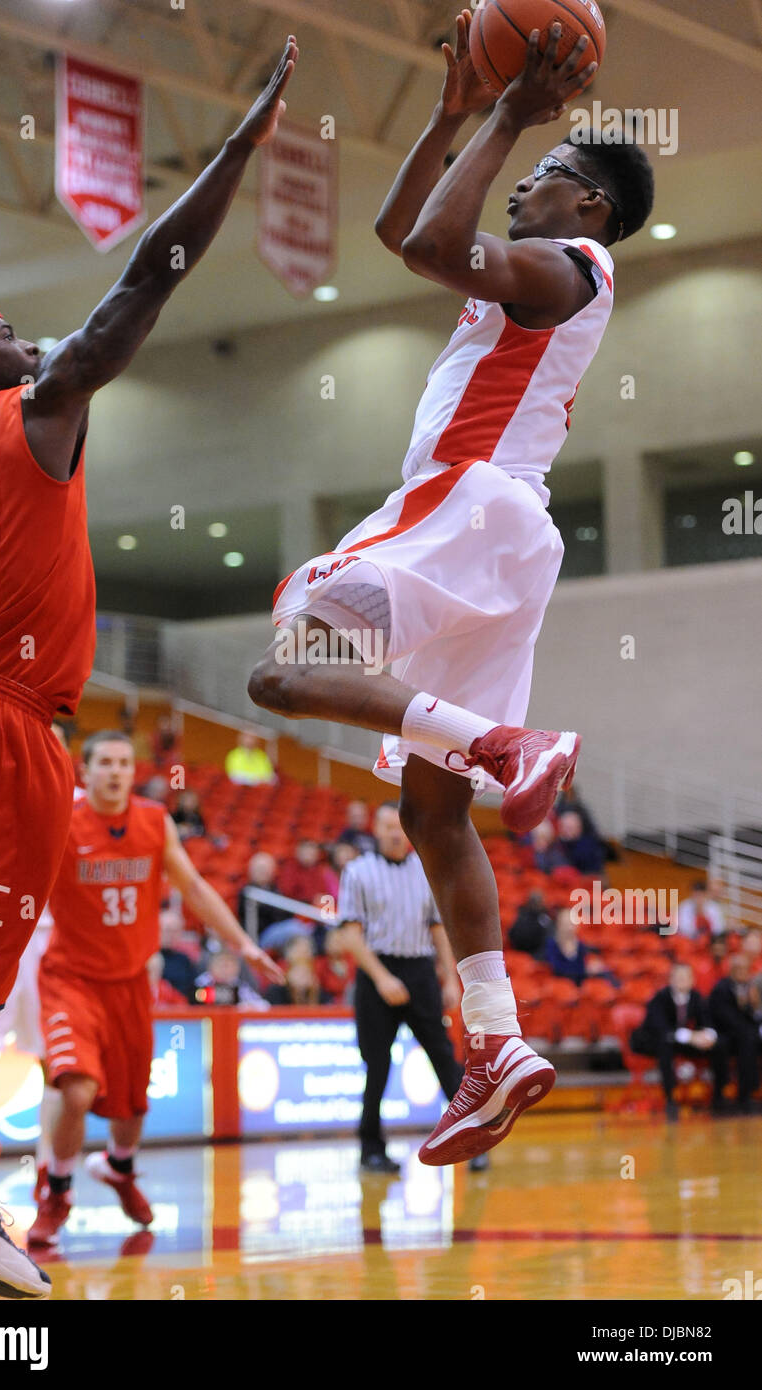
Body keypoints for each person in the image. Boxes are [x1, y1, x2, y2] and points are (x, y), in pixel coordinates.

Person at [0, 34, 297, 1300]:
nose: (39, 344)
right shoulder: (26, 416)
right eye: (15, 335)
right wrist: (235, 151)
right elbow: (145, 282)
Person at [248, 13, 654, 1165]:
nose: (522, 187)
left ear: (592, 209)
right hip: (501, 538)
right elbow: (400, 228)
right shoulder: (534, 272)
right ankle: (495, 1038)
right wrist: (451, 115)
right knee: (429, 814)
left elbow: (431, 243)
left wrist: (512, 111)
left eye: (545, 177)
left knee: (285, 665)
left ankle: (507, 745)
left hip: (463, 504)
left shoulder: (569, 269)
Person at [28, 732, 282, 1246]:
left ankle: (120, 1169)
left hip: (130, 982)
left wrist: (243, 944)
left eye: (124, 761)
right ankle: (56, 1192)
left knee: (130, 1107)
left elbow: (193, 887)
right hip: (71, 978)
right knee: (76, 1087)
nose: (116, 771)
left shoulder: (153, 820)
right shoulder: (61, 822)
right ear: (87, 771)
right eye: (105, 763)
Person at [331, 803, 487, 1174]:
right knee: (377, 1065)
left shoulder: (426, 869)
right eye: (386, 826)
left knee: (443, 1058)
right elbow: (349, 936)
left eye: (398, 826)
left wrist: (449, 978)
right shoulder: (357, 872)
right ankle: (371, 1149)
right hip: (376, 971)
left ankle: (473, 1141)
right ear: (375, 829)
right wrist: (383, 977)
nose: (393, 832)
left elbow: (438, 928)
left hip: (419, 972)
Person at [630, 963, 728, 1120]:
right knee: (665, 1048)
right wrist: (691, 1037)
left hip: (684, 1042)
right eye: (678, 977)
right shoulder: (659, 998)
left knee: (719, 1046)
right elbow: (660, 1028)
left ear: (692, 980)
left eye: (686, 977)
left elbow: (707, 1021)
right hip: (657, 1041)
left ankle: (719, 1097)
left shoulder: (696, 997)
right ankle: (670, 1098)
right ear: (671, 980)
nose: (682, 981)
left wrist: (707, 1036)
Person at [708, 955, 762, 1113]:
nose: (743, 973)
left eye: (746, 969)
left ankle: (750, 1092)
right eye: (739, 969)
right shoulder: (721, 988)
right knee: (744, 1043)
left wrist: (753, 1006)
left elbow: (755, 1017)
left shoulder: (752, 988)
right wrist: (744, 1007)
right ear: (731, 970)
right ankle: (731, 1095)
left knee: (750, 1041)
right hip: (725, 1034)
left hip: (747, 1036)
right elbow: (723, 1018)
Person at [508, 891, 554, 955]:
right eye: (534, 901)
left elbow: (551, 935)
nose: (537, 904)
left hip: (543, 953)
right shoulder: (522, 916)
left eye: (539, 901)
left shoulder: (546, 916)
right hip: (525, 952)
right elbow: (515, 936)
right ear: (529, 902)